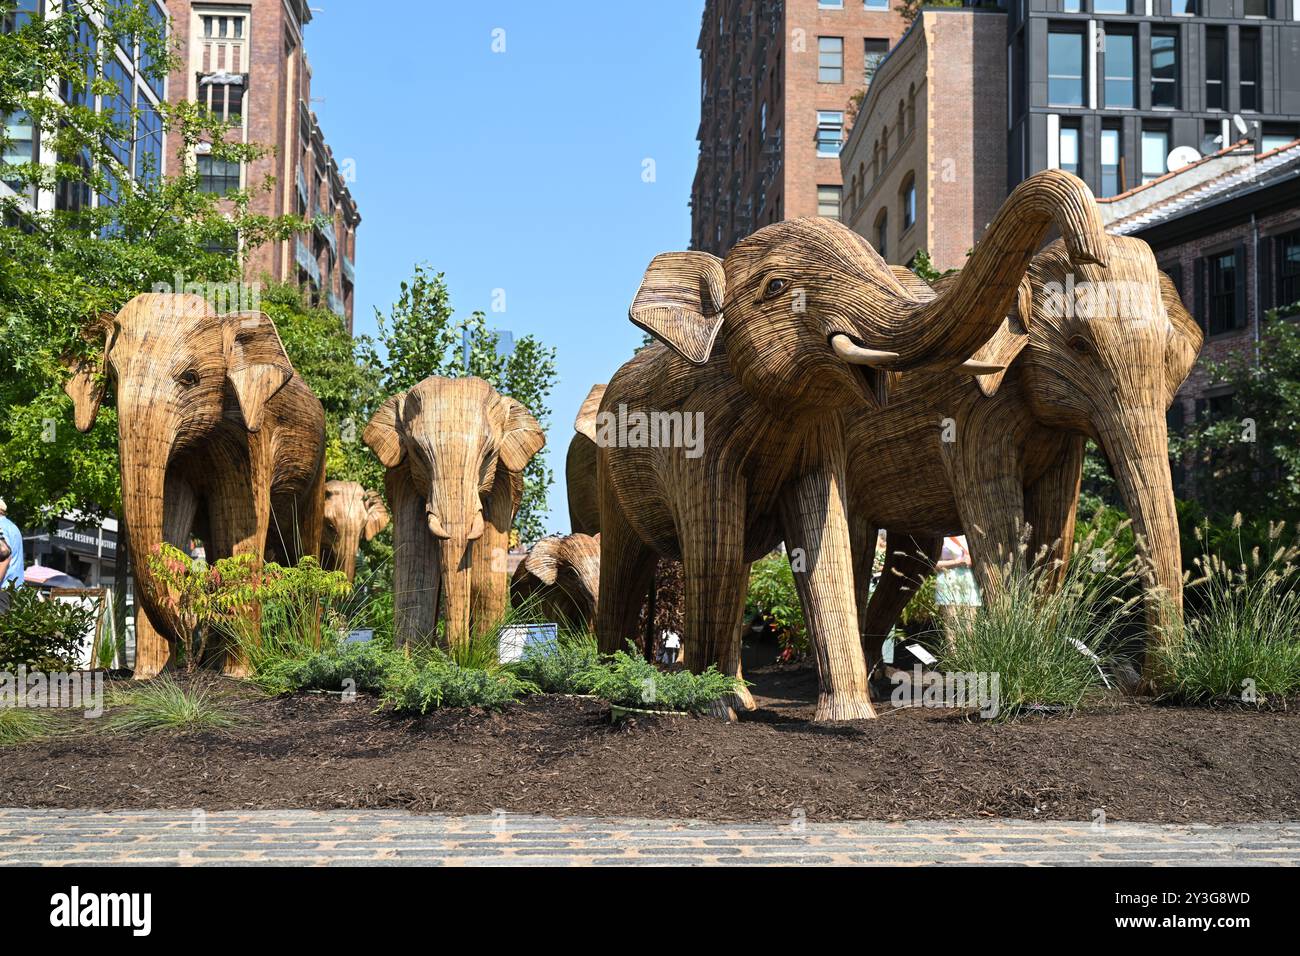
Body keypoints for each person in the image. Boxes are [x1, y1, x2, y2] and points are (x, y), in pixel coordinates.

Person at [934, 534, 980, 648]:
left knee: (971, 631)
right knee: (952, 632)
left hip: (969, 584)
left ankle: (970, 664)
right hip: (947, 585)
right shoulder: (940, 536)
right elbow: (933, 564)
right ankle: (955, 663)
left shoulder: (968, 533)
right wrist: (957, 562)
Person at [0, 497, 22, 615]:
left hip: (2, 592)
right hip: (13, 592)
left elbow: (4, 556)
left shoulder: (0, 527)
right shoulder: (11, 526)